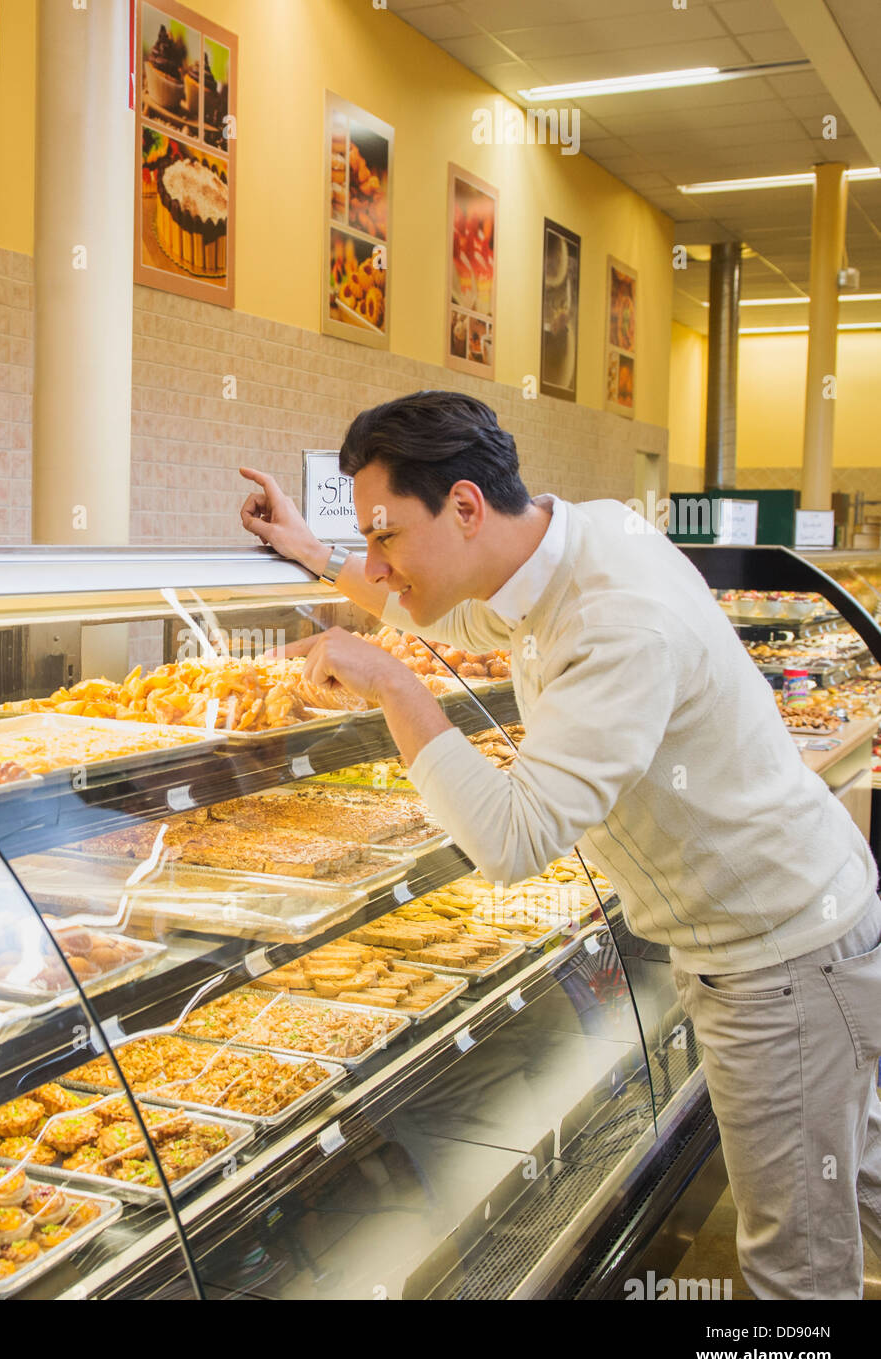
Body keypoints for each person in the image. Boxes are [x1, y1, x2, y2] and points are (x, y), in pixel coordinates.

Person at [239, 389, 881, 1300]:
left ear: (464, 507)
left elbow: (512, 838)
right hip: (789, 936)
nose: (378, 568)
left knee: (796, 1272)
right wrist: (316, 555)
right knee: (848, 1176)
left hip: (781, 959)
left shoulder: (616, 619)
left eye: (385, 539)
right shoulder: (573, 538)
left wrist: (393, 685)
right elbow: (458, 616)